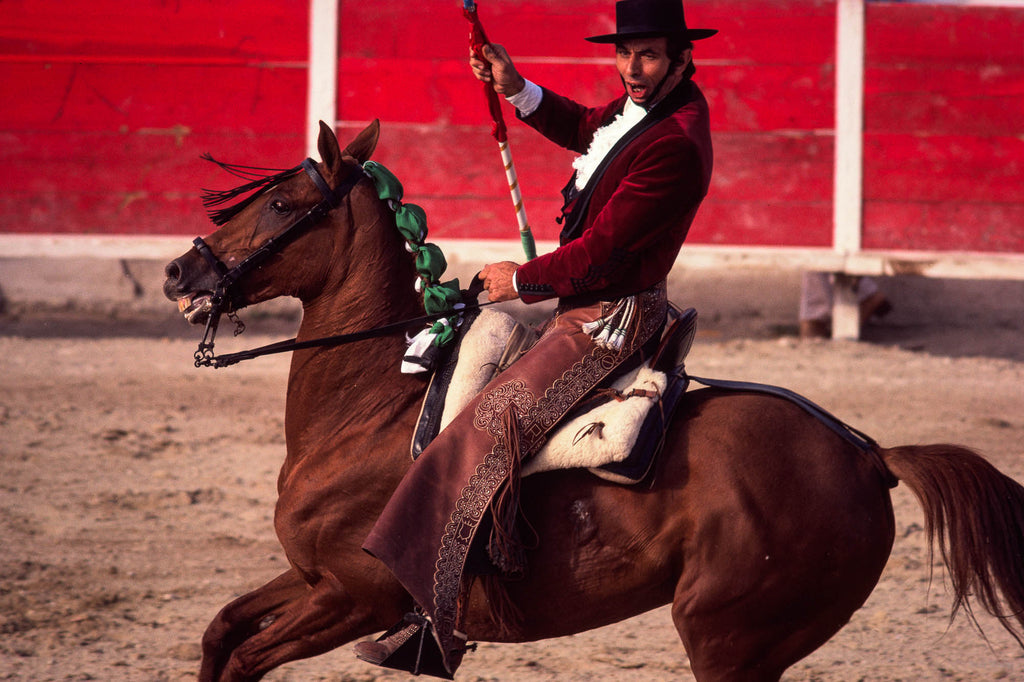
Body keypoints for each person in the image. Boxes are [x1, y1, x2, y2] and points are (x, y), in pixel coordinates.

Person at [356, 0, 716, 676]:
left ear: (680, 57)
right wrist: (515, 86)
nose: (631, 68)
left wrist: (519, 277)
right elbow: (587, 127)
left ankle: (441, 622)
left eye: (647, 55)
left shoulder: (676, 143)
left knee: (486, 424)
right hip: (582, 302)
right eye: (623, 52)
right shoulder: (641, 112)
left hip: (610, 318)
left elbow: (601, 251)